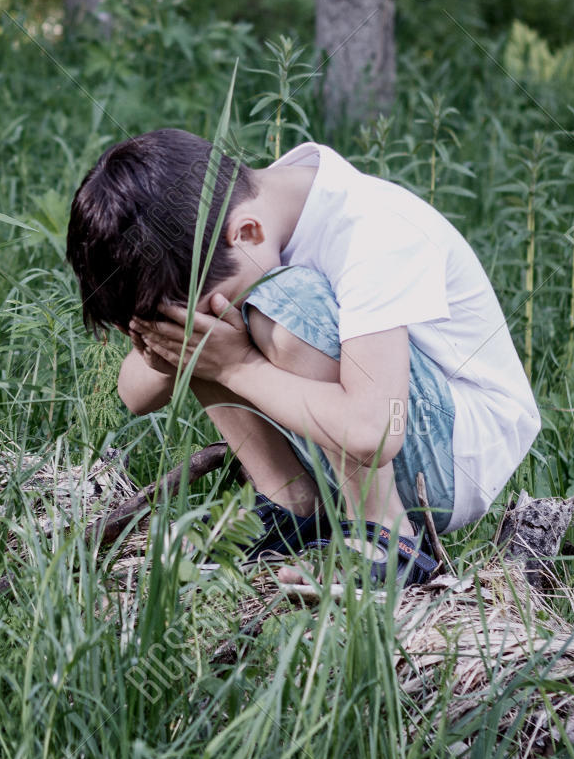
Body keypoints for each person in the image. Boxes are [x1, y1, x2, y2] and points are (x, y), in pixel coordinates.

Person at [66, 128, 541, 586]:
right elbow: (135, 392)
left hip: (454, 448)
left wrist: (234, 366)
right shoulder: (240, 224)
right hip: (372, 426)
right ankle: (295, 512)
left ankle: (387, 537)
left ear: (246, 232)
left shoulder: (369, 229)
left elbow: (373, 432)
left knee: (282, 302)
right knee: (203, 337)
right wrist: (191, 344)